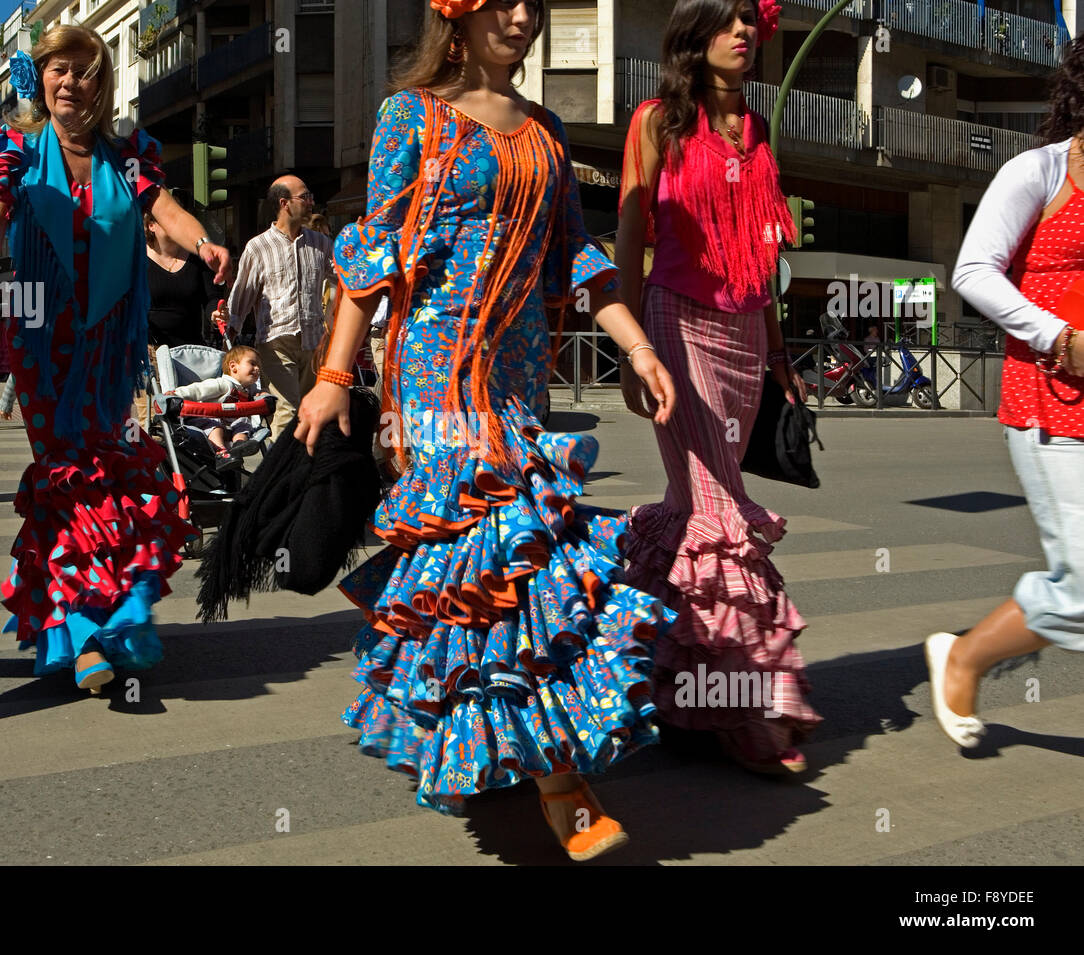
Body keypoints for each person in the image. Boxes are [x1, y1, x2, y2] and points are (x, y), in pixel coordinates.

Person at [295, 0, 677, 861]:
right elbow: (372, 252)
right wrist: (331, 377)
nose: (522, 15)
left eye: (534, 3)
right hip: (433, 372)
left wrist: (639, 348)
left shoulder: (544, 132)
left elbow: (578, 256)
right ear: (456, 14)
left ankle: (500, 739)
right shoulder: (413, 116)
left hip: (518, 375)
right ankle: (562, 788)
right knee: (501, 547)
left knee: (514, 559)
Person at [0, 24, 232, 693]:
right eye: (59, 69)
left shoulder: (127, 155)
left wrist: (206, 244)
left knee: (113, 476)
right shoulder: (15, 150)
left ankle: (102, 618)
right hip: (43, 341)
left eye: (85, 71)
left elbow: (165, 210)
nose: (71, 82)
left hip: (113, 343)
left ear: (100, 84)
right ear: (43, 77)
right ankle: (90, 628)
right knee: (69, 475)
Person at [615, 0, 821, 775]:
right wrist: (635, 348)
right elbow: (632, 235)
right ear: (695, 38)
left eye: (750, 20)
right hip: (675, 322)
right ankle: (744, 711)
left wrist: (776, 354)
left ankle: (646, 670)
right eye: (726, 20)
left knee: (693, 506)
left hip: (742, 336)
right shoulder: (655, 121)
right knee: (716, 509)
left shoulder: (758, 129)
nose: (744, 33)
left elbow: (762, 250)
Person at [938, 36, 1084, 748]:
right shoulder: (1042, 169)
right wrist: (1059, 336)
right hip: (1054, 402)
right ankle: (964, 655)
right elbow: (972, 270)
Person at [227, 174, 336, 441]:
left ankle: (304, 472)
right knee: (286, 412)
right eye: (305, 197)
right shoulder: (258, 246)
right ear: (284, 203)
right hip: (277, 342)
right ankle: (279, 477)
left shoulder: (321, 243)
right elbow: (243, 293)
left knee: (310, 412)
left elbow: (342, 277)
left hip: (313, 342)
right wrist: (230, 327)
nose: (311, 202)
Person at [144, 203, 225, 348]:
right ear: (151, 226)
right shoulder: (137, 260)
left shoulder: (197, 257)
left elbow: (211, 297)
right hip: (150, 351)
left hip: (190, 351)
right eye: (168, 219)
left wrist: (215, 312)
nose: (174, 225)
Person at [170, 344, 266, 464]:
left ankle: (239, 445)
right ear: (233, 367)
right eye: (252, 363)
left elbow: (260, 395)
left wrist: (262, 394)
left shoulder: (250, 389)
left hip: (232, 426)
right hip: (209, 421)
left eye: (258, 366)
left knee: (244, 422)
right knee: (215, 425)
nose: (257, 368)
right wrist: (176, 394)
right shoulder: (223, 384)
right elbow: (198, 390)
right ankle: (221, 452)